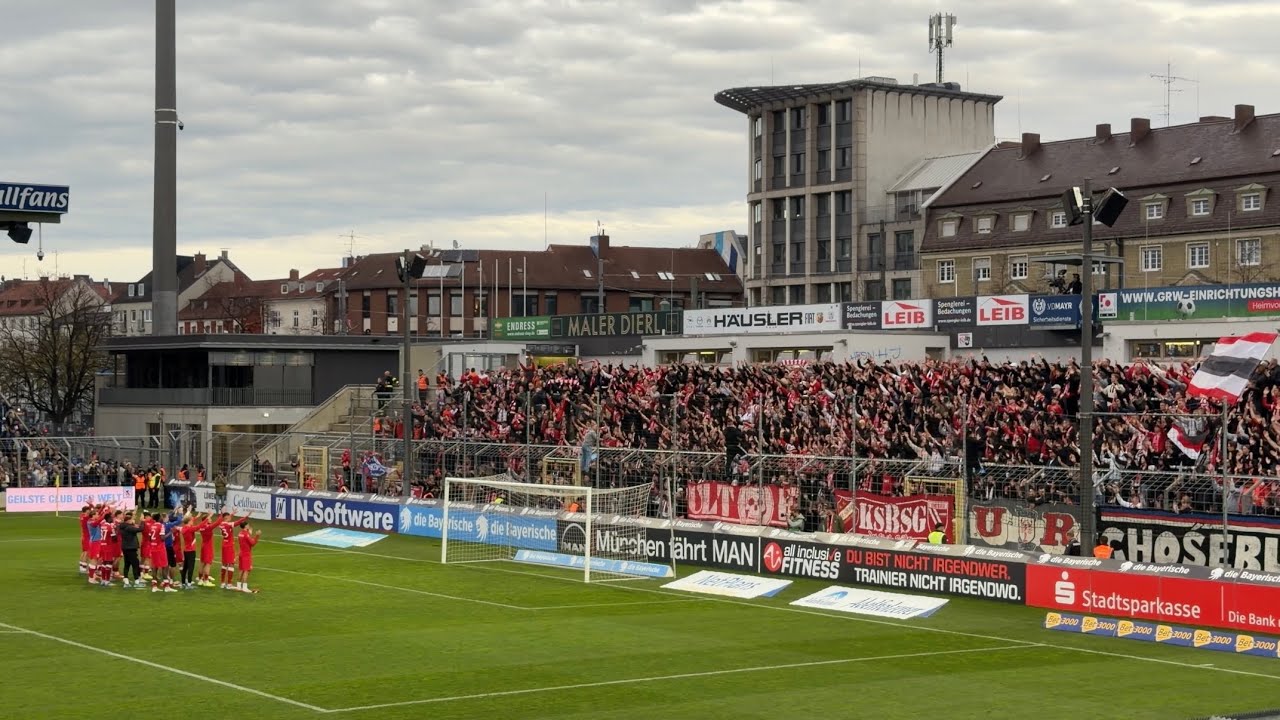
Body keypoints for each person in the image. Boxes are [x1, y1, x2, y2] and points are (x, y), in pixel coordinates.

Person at [216, 511, 251, 590]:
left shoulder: (221, 524)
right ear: (226, 518)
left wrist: (232, 513)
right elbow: (238, 522)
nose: (231, 518)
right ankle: (229, 584)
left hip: (224, 545)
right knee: (231, 564)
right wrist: (246, 516)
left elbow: (226, 519)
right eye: (230, 517)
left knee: (224, 564)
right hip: (229, 546)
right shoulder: (229, 524)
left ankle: (222, 583)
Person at [118, 511, 144, 588]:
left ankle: (126, 581)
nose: (133, 521)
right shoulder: (129, 527)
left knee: (127, 564)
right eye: (132, 520)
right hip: (131, 548)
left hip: (125, 548)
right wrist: (142, 521)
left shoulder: (122, 526)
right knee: (135, 564)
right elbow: (140, 529)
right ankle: (136, 581)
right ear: (128, 521)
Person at [235, 521, 262, 593]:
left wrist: (249, 533)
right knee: (246, 570)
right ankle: (244, 587)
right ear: (245, 526)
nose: (249, 525)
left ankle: (238, 586)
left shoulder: (240, 533)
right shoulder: (246, 534)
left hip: (241, 553)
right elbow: (252, 543)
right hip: (246, 554)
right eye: (248, 525)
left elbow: (245, 540)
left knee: (241, 570)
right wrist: (257, 536)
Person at [195, 511, 219, 587]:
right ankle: (206, 580)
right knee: (208, 564)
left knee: (202, 563)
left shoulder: (201, 526)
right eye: (210, 519)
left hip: (203, 545)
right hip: (208, 547)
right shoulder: (208, 527)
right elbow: (217, 523)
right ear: (206, 519)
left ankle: (200, 579)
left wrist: (208, 516)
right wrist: (222, 515)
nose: (211, 520)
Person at [78, 504, 92, 574]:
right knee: (86, 552)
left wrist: (90, 505)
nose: (89, 511)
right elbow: (93, 512)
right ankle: (83, 568)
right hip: (87, 537)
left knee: (83, 552)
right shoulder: (86, 517)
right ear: (86, 511)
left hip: (83, 536)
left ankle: (81, 567)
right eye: (88, 510)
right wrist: (91, 505)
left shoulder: (81, 516)